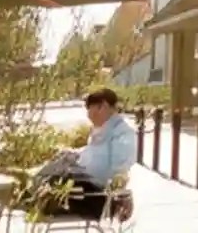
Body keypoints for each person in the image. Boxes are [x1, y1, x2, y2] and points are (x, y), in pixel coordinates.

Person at [22, 88, 138, 221]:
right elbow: (93, 154)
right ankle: (30, 191)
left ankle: (31, 195)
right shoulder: (104, 130)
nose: (89, 116)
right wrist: (74, 155)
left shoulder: (122, 134)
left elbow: (117, 171)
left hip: (95, 192)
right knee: (61, 161)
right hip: (86, 183)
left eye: (90, 110)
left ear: (103, 106)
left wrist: (80, 168)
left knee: (59, 172)